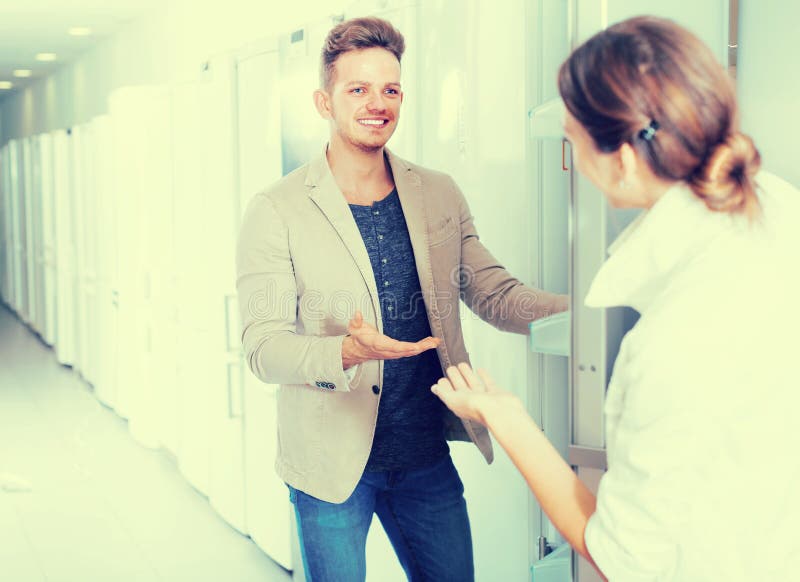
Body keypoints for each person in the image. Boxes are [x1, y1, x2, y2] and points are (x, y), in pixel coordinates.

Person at [432, 15, 800, 582]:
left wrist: (504, 416)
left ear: (624, 160)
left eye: (573, 143)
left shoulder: (670, 344)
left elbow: (622, 560)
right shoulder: (781, 207)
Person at [235, 16, 567, 582]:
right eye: (357, 89)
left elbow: (494, 294)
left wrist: (584, 314)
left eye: (390, 89)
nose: (377, 103)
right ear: (324, 100)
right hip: (332, 465)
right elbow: (261, 348)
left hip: (424, 455)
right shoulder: (276, 208)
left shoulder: (438, 191)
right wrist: (345, 351)